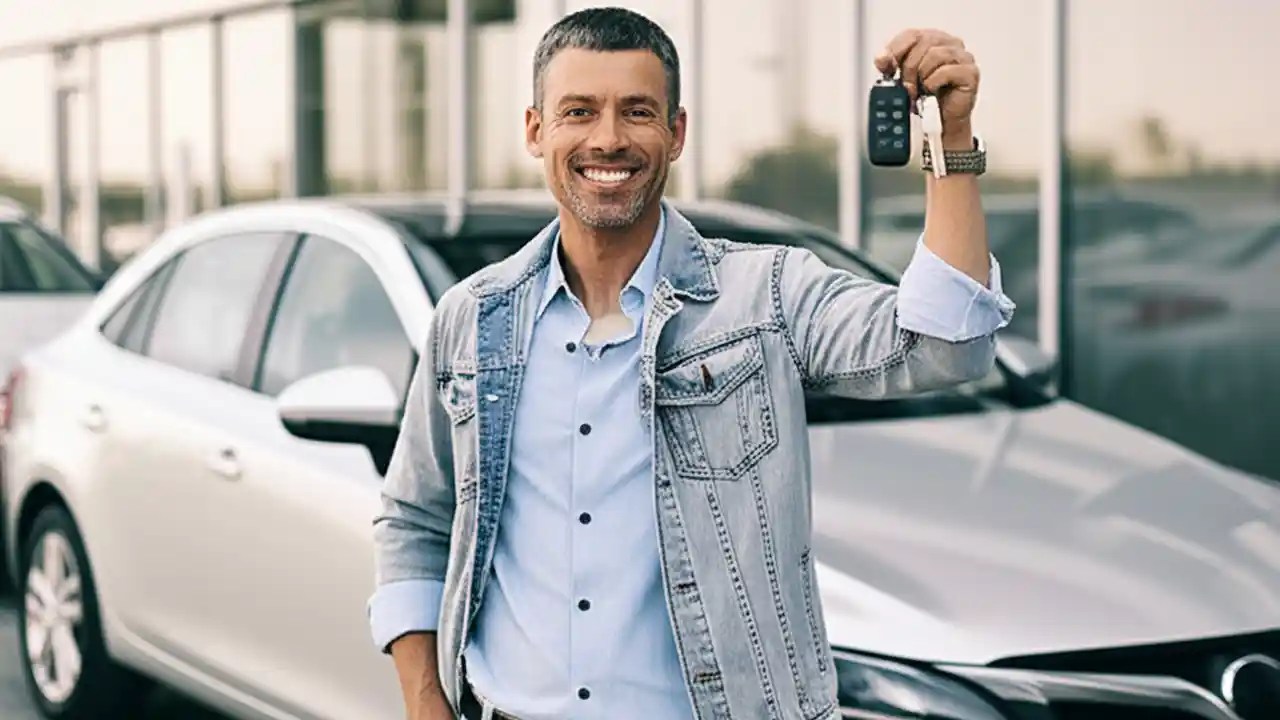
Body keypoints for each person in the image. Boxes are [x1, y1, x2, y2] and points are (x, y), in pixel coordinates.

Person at [368, 7, 1013, 719]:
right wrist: (425, 702)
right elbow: (414, 520)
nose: (608, 138)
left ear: (676, 133)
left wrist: (952, 142)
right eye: (578, 111)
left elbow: (944, 347)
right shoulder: (472, 319)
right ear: (535, 130)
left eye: (637, 111)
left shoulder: (765, 295)